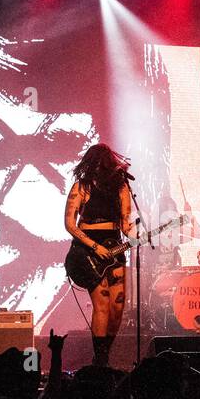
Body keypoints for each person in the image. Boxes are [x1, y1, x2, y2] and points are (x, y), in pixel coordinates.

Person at [65, 144, 135, 367]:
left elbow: (125, 224)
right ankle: (102, 360)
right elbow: (69, 223)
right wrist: (95, 247)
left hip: (114, 246)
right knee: (102, 303)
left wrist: (138, 234)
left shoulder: (121, 187)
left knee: (117, 306)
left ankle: (103, 353)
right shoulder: (82, 187)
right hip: (87, 250)